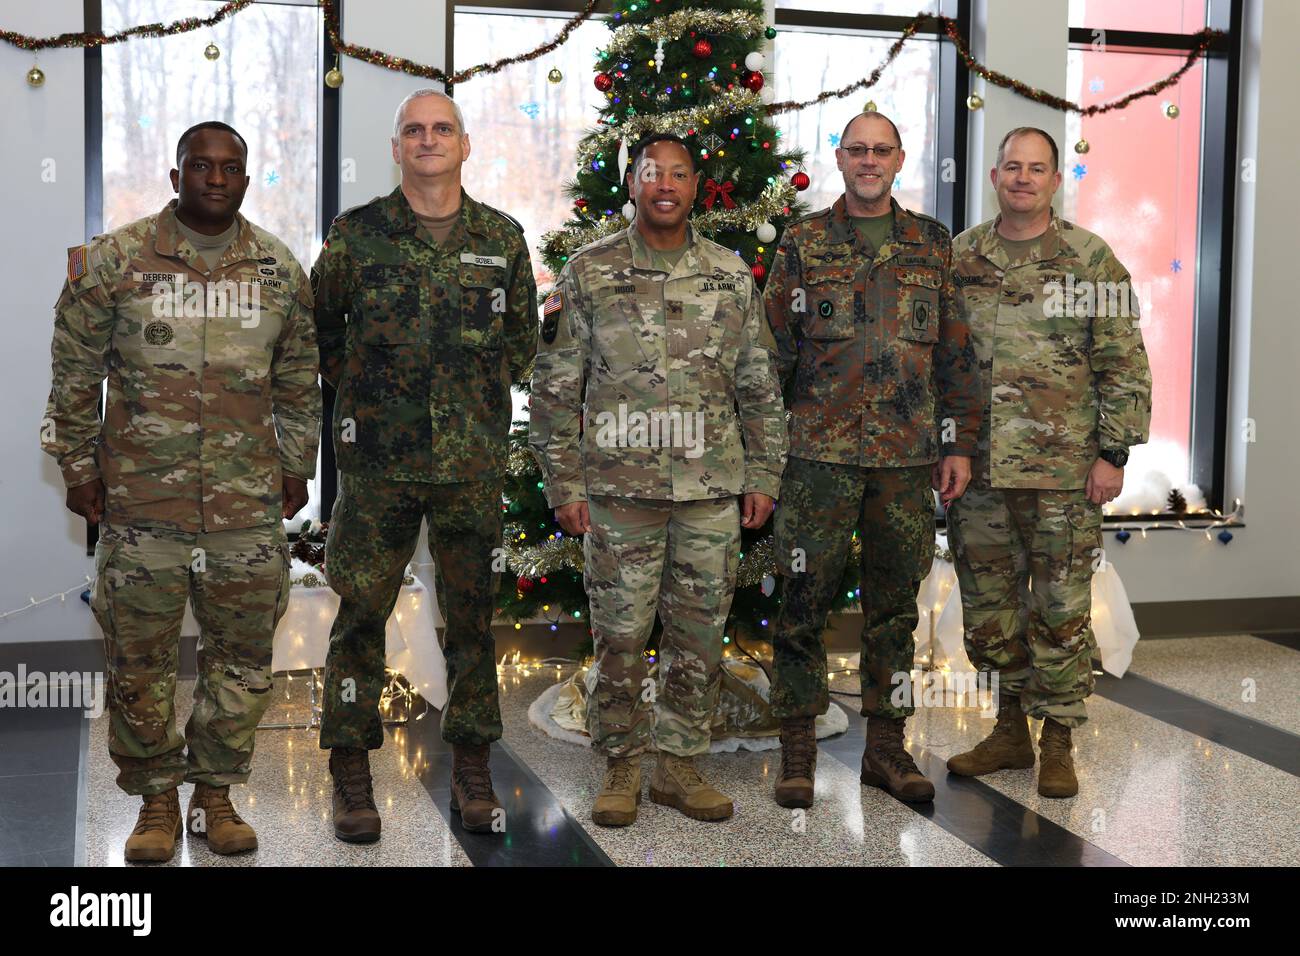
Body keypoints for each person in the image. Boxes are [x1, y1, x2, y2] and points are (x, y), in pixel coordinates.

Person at [42, 121, 321, 862]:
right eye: (202, 165)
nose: (217, 179)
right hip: (141, 508)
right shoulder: (114, 263)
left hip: (243, 507)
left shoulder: (277, 269)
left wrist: (297, 467)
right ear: (176, 176)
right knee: (139, 661)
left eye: (231, 168)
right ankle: (157, 801)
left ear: (247, 180)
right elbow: (74, 373)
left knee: (242, 658)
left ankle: (218, 794)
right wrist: (76, 467)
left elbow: (298, 380)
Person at [529, 133, 788, 826]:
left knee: (700, 637)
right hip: (619, 496)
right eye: (651, 173)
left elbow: (758, 384)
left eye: (678, 173)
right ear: (632, 184)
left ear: (697, 184)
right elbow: (555, 391)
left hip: (709, 493)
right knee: (618, 636)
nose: (664, 184)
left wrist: (762, 474)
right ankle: (619, 763)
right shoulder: (588, 272)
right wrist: (566, 487)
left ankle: (678, 766)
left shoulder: (731, 275)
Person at [312, 89, 537, 840]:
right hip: (377, 465)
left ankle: (473, 765)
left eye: (443, 129)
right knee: (359, 617)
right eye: (415, 130)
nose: (429, 140)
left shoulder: (501, 238)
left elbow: (521, 345)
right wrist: (371, 400)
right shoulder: (357, 234)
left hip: (471, 463)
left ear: (465, 145)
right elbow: (322, 335)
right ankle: (350, 769)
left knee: (474, 619)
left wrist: (469, 402)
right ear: (397, 146)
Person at [763, 112, 981, 807]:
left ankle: (886, 749)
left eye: (880, 150)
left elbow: (954, 355)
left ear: (899, 159)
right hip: (815, 461)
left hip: (906, 463)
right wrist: (763, 456)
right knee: (801, 604)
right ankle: (796, 749)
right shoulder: (803, 242)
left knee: (894, 611)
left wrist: (958, 443)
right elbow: (771, 356)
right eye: (856, 149)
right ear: (839, 157)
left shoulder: (931, 245)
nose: (868, 160)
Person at [946, 127, 1151, 797]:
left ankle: (1058, 737)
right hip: (979, 472)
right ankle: (1009, 731)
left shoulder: (1090, 259)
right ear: (995, 175)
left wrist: (1113, 453)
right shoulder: (963, 256)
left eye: (1037, 169)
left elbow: (1123, 357)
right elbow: (941, 361)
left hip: (1065, 471)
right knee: (989, 609)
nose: (1024, 178)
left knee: (1061, 609)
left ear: (1055, 181)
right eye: (1013, 167)